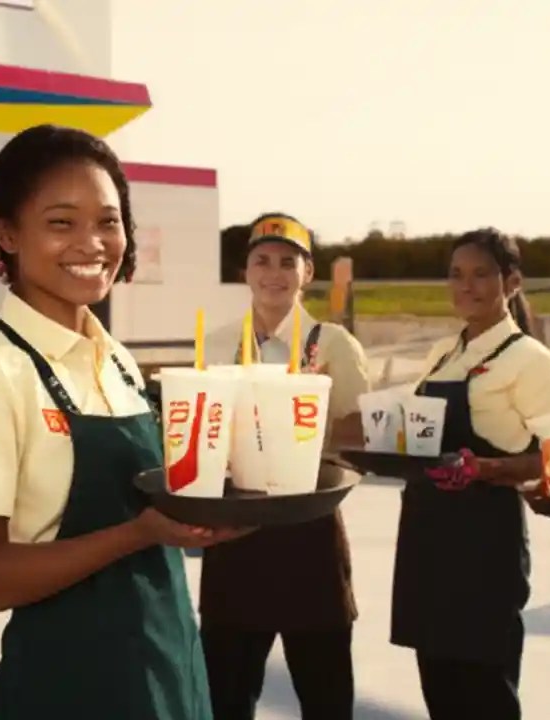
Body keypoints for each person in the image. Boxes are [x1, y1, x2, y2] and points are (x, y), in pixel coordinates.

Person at [0, 124, 245, 719]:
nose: (92, 242)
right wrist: (140, 533)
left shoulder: (117, 360)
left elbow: (159, 509)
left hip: (169, 669)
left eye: (108, 220)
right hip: (70, 686)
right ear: (7, 233)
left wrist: (221, 506)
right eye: (61, 222)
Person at [199, 213, 371, 720]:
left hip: (308, 532)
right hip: (234, 530)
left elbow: (362, 431)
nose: (273, 273)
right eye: (261, 261)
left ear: (307, 272)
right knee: (225, 696)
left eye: (286, 262)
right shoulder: (216, 343)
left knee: (326, 696)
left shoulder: (333, 344)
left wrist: (294, 430)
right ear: (245, 271)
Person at [392, 228, 550, 720]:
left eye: (480, 274)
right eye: (456, 275)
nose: (465, 286)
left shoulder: (530, 360)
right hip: (428, 540)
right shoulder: (443, 353)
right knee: (440, 692)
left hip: (484, 546)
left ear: (511, 281)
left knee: (485, 696)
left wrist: (489, 468)